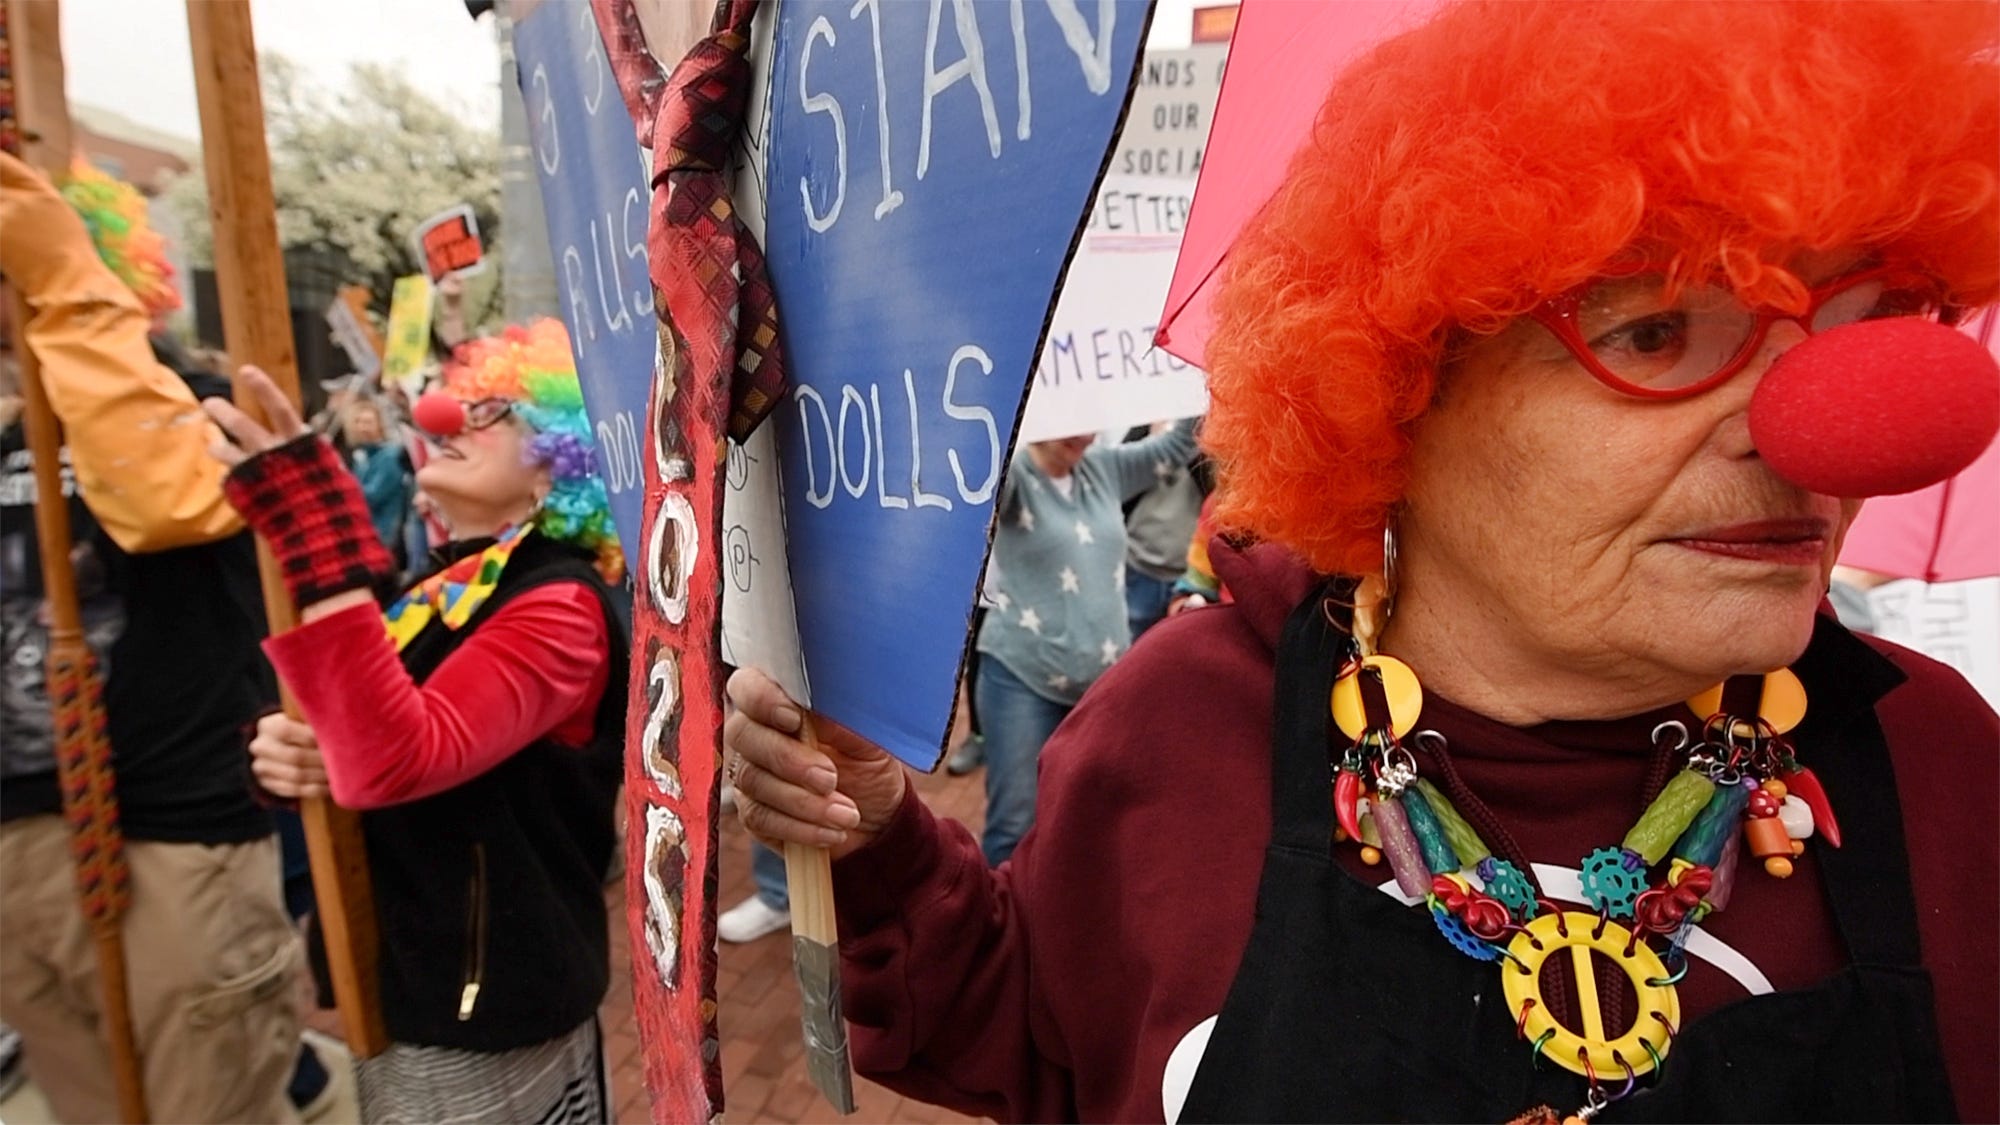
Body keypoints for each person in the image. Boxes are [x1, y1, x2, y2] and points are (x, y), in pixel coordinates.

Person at [721, 4, 1999, 1122]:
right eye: (1655, 330)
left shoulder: (1934, 757)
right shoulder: (1174, 725)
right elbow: (1043, 1043)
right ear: (1394, 389)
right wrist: (883, 840)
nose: (1818, 430)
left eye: (1867, 324)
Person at [212, 319, 628, 1124]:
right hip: (414, 972)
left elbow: (398, 755)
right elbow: (369, 724)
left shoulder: (560, 603)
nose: (447, 417)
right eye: (462, 402)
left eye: (494, 411)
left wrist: (321, 532)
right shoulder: (441, 583)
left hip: (488, 1006)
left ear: (560, 464)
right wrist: (293, 748)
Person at [0, 152, 300, 1124]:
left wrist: (61, 287)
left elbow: (164, 500)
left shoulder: (186, 397)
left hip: (172, 847)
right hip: (23, 847)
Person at [972, 422, 1199, 865]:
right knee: (1015, 828)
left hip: (1098, 687)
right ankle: (1002, 930)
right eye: (1068, 427)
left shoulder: (1104, 467)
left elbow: (1177, 445)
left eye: (1090, 424)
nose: (1084, 437)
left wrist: (1205, 368)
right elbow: (978, 477)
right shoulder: (1013, 477)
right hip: (1022, 680)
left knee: (1088, 820)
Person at [338, 396, 417, 572]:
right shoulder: (361, 456)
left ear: (379, 424)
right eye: (358, 422)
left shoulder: (390, 455)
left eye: (368, 422)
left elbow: (373, 495)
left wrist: (343, 489)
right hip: (367, 533)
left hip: (385, 533)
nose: (362, 427)